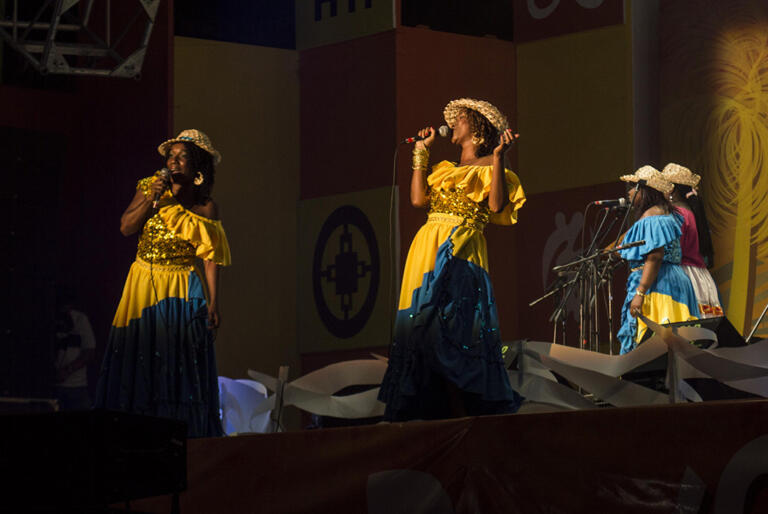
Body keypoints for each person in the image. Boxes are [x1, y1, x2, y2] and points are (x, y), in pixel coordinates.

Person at [378, 98, 526, 421]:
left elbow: (497, 206)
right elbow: (418, 199)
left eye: (460, 118)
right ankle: (431, 414)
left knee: (451, 330)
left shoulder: (491, 165)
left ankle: (462, 416)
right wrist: (421, 152)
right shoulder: (445, 169)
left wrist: (499, 157)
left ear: (477, 127)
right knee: (420, 331)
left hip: (461, 252)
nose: (453, 123)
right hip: (426, 250)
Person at [95, 129, 231, 437]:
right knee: (141, 353)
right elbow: (126, 227)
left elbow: (211, 258)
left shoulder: (206, 207)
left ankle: (181, 434)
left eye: (183, 156)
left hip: (183, 286)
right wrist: (151, 197)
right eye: (171, 155)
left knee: (179, 358)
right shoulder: (150, 187)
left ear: (198, 166)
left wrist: (213, 302)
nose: (174, 161)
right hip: (144, 281)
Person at [616, 165, 700, 354]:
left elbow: (654, 257)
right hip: (673, 280)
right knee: (676, 347)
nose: (629, 193)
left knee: (655, 347)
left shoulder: (652, 217)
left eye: (633, 187)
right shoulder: (666, 213)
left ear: (644, 191)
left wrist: (640, 292)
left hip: (659, 285)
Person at [661, 163, 723, 317]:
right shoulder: (691, 211)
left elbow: (674, 250)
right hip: (700, 276)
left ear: (671, 189)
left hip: (683, 276)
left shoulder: (676, 214)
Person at [53, 286, 96, 410]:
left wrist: (67, 370)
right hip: (51, 387)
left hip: (76, 386)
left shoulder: (80, 319)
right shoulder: (49, 318)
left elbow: (89, 351)